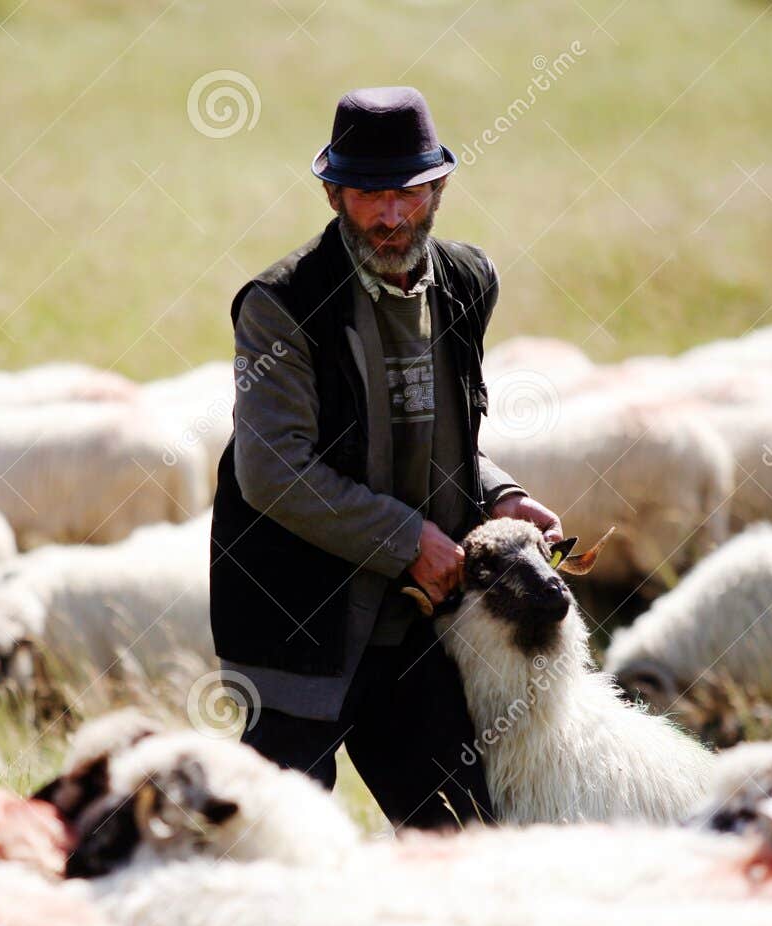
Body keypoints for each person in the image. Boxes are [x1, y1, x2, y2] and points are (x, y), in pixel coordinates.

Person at [209, 86, 562, 829]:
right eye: (370, 193)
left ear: (439, 187)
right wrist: (408, 540)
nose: (392, 214)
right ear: (334, 194)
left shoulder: (466, 282)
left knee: (462, 831)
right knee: (277, 839)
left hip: (417, 626)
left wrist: (498, 495)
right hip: (302, 621)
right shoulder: (282, 303)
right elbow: (271, 470)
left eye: (409, 191)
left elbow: (440, 437)